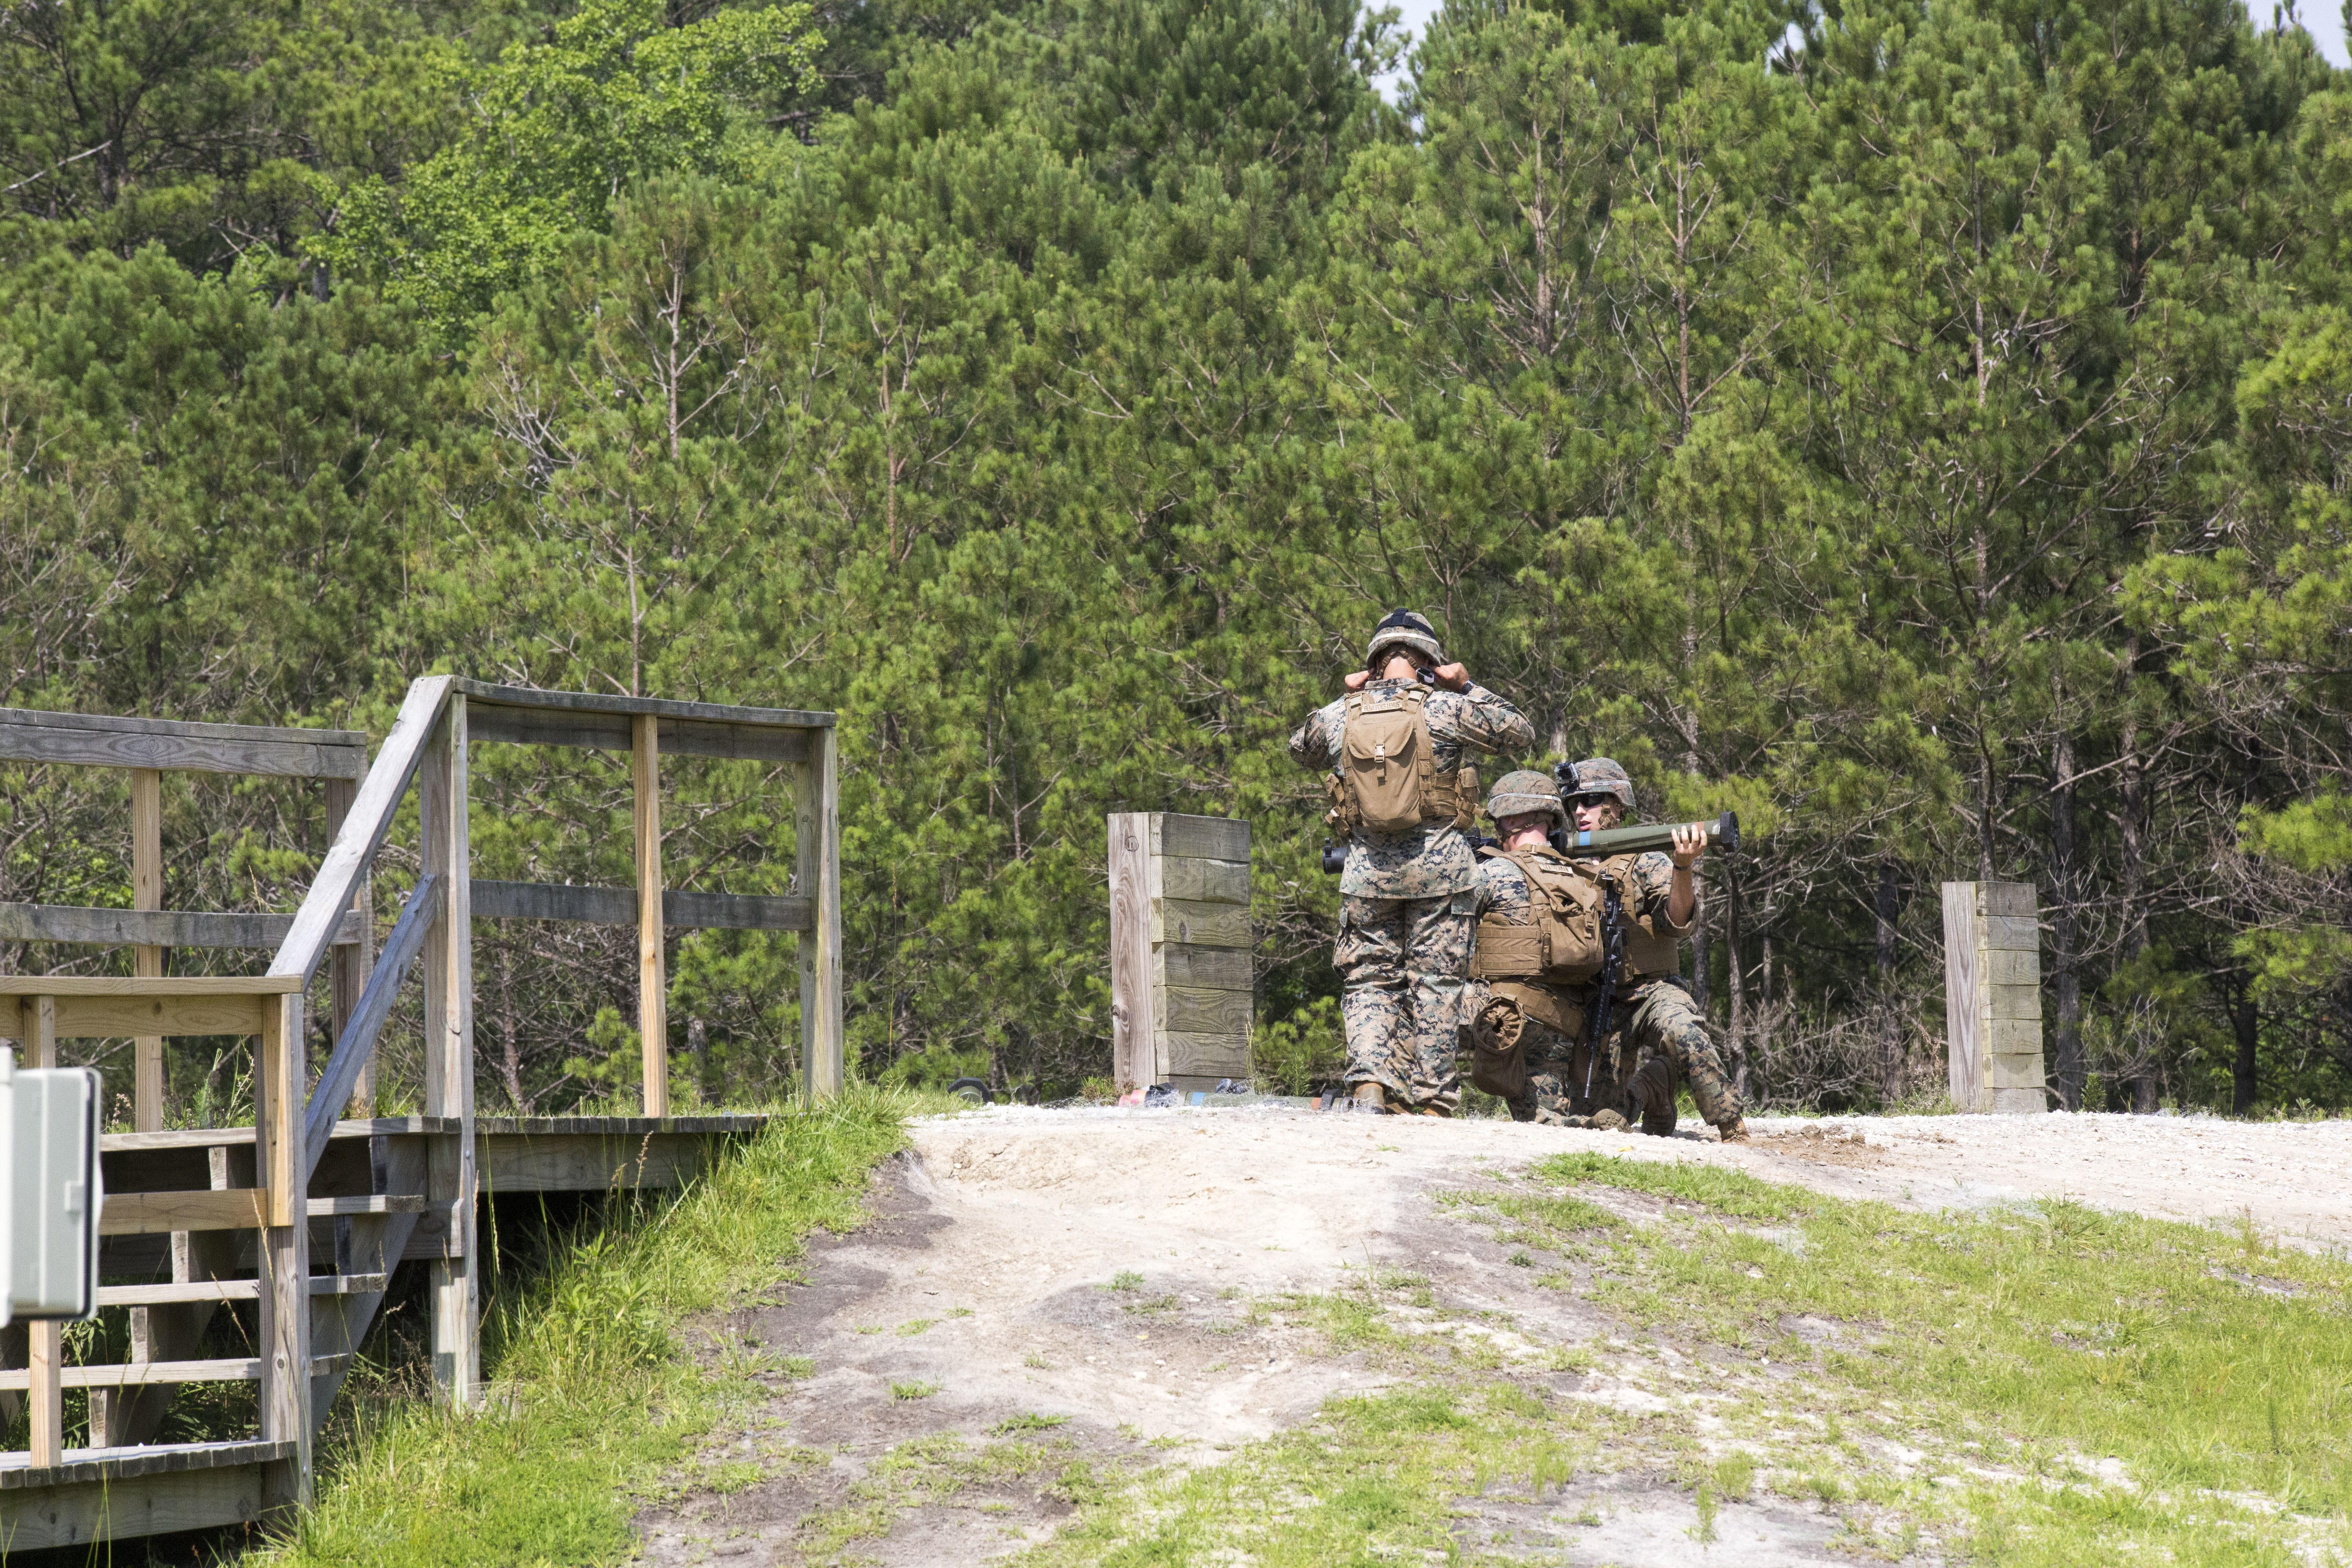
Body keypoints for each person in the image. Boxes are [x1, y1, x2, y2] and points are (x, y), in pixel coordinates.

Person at [1290, 610, 1534, 1115]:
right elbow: (1520, 733)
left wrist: (1346, 693)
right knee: (1437, 983)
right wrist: (1467, 686)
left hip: (1365, 875)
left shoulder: (1343, 716)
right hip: (1440, 872)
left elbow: (1300, 748)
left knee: (1369, 981)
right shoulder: (1446, 708)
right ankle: (1432, 1101)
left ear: (1376, 659)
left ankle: (1371, 1088)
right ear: (1427, 661)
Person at [1549, 757, 1748, 1140]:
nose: (1578, 811)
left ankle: (1731, 1124)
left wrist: (1683, 869)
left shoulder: (1646, 859)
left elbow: (1677, 920)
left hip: (1651, 992)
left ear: (1616, 806)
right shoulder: (1565, 866)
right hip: (1597, 1000)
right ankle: (1651, 1087)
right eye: (1574, 803)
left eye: (1589, 801)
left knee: (1683, 1032)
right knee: (1604, 1117)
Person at [1461, 770, 1627, 1127]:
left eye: (1500, 822)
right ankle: (1580, 1125)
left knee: (1417, 995)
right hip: (1562, 1026)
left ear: (1514, 819)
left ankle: (1402, 1098)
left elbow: (1444, 945)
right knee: (1541, 1118)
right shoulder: (1583, 879)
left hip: (1502, 1017)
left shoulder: (1493, 874)